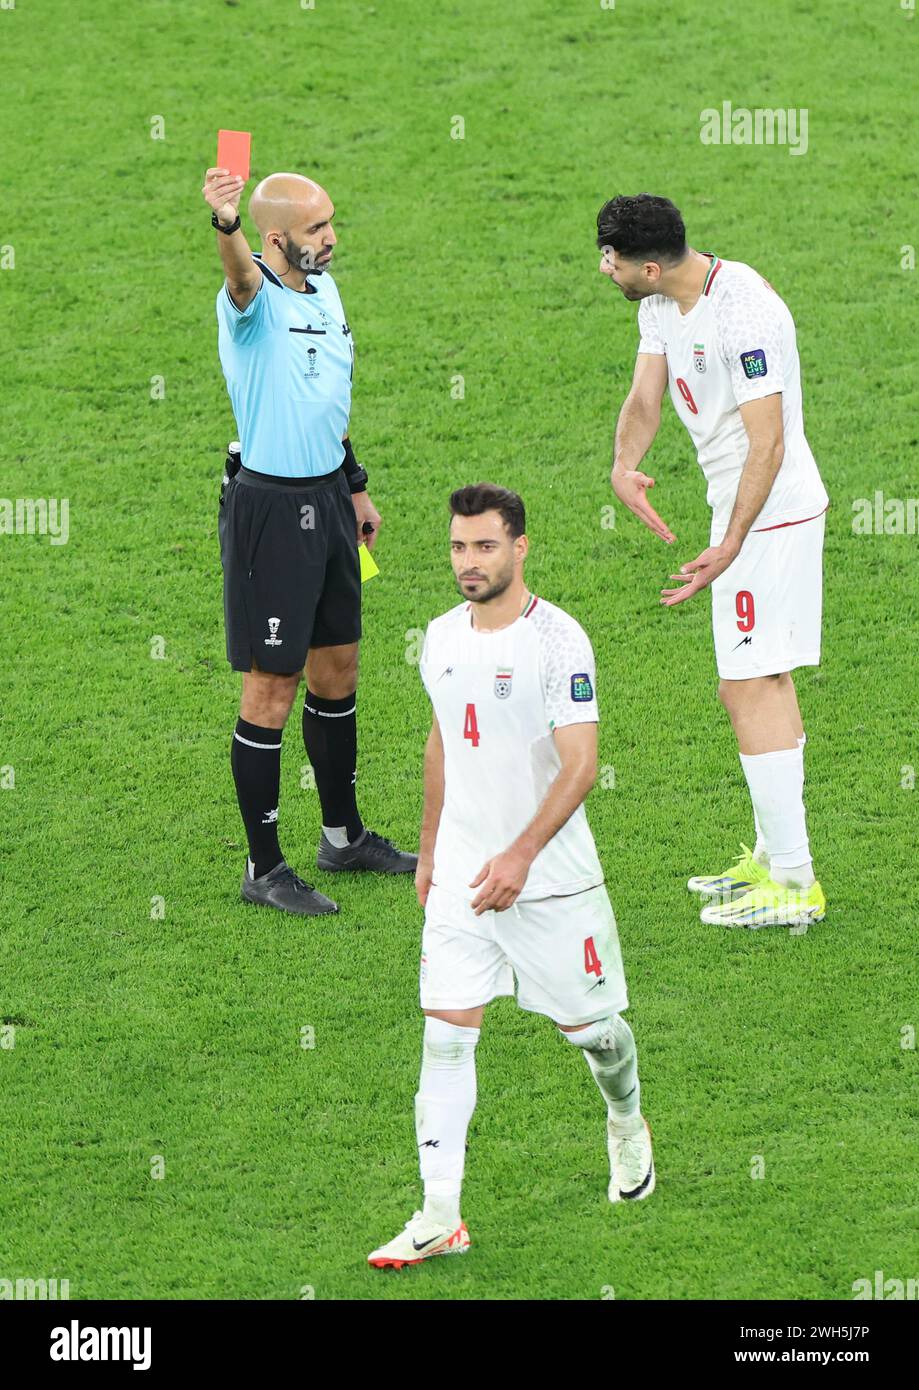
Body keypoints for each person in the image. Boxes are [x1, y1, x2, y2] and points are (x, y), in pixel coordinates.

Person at [367, 483, 653, 1269]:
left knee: (593, 1035)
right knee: (445, 1039)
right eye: (458, 547)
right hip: (463, 878)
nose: (468, 562)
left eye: (484, 546)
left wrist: (522, 854)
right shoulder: (438, 636)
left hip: (551, 883)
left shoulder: (557, 640)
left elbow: (582, 763)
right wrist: (430, 850)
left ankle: (625, 1121)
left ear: (519, 547)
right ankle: (437, 1214)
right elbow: (440, 743)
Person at [598, 194, 828, 930]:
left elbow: (769, 442)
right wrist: (622, 464)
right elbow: (645, 395)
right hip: (741, 513)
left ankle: (794, 883)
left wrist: (730, 542)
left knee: (746, 686)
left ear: (652, 265)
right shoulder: (661, 303)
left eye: (614, 260)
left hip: (768, 514)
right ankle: (774, 856)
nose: (606, 269)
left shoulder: (742, 313)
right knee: (761, 681)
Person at [202, 165, 416, 917]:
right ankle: (263, 869)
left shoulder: (324, 288)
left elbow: (332, 390)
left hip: (327, 499)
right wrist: (225, 227)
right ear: (276, 239)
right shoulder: (249, 299)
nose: (331, 237)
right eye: (317, 228)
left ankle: (343, 836)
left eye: (331, 222)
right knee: (271, 686)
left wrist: (354, 483)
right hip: (269, 512)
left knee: (338, 669)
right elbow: (237, 279)